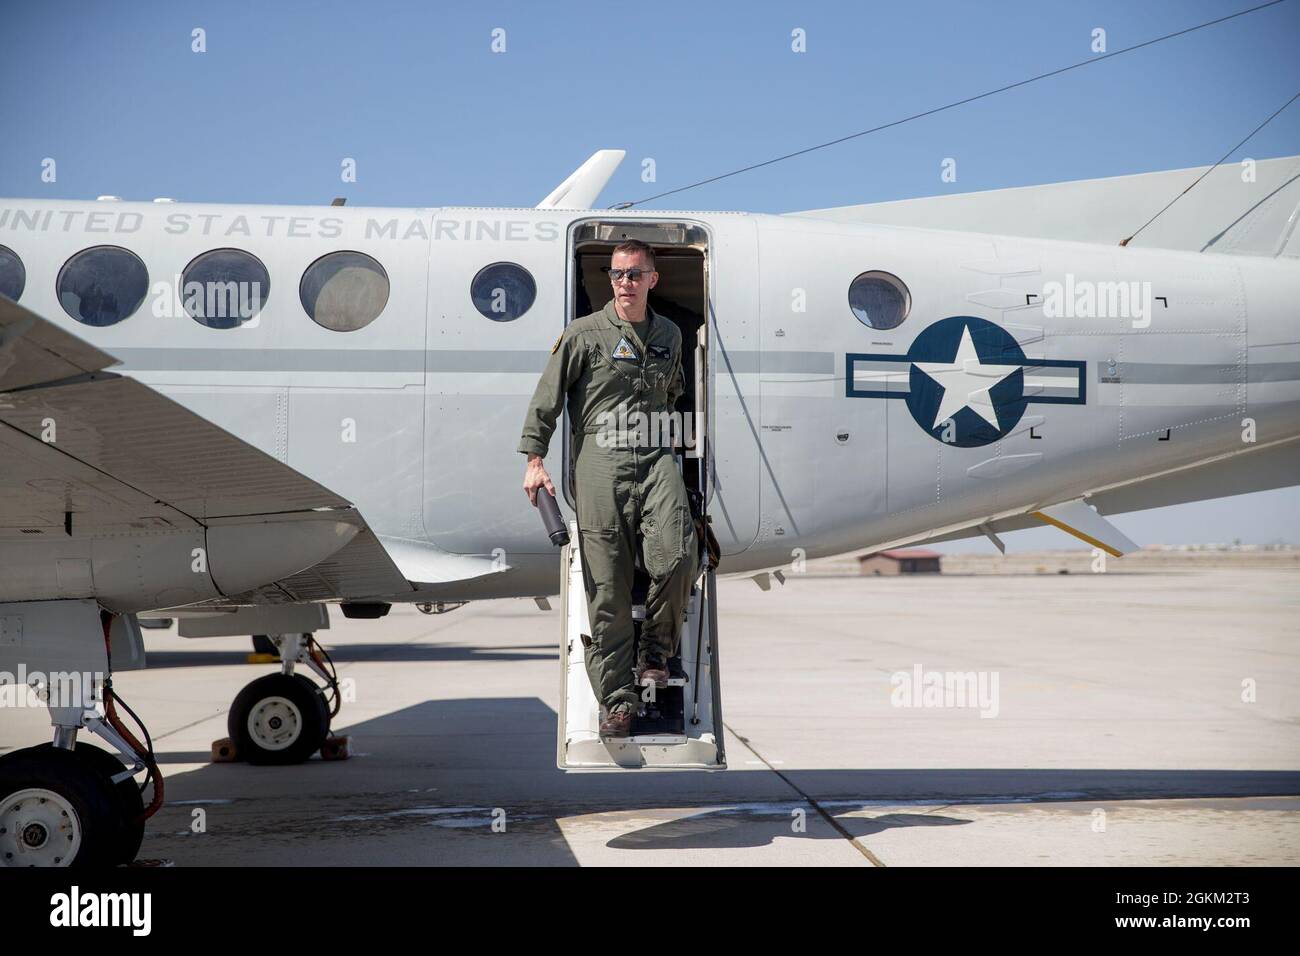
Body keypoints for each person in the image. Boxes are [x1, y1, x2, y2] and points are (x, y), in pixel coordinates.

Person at [518, 239, 699, 737]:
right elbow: (547, 400)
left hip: (657, 451)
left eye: (636, 274)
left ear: (652, 280)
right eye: (618, 274)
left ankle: (656, 653)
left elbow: (676, 393)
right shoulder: (582, 334)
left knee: (679, 555)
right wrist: (535, 461)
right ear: (610, 279)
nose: (626, 282)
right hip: (600, 458)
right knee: (608, 586)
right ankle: (617, 700)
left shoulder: (669, 334)